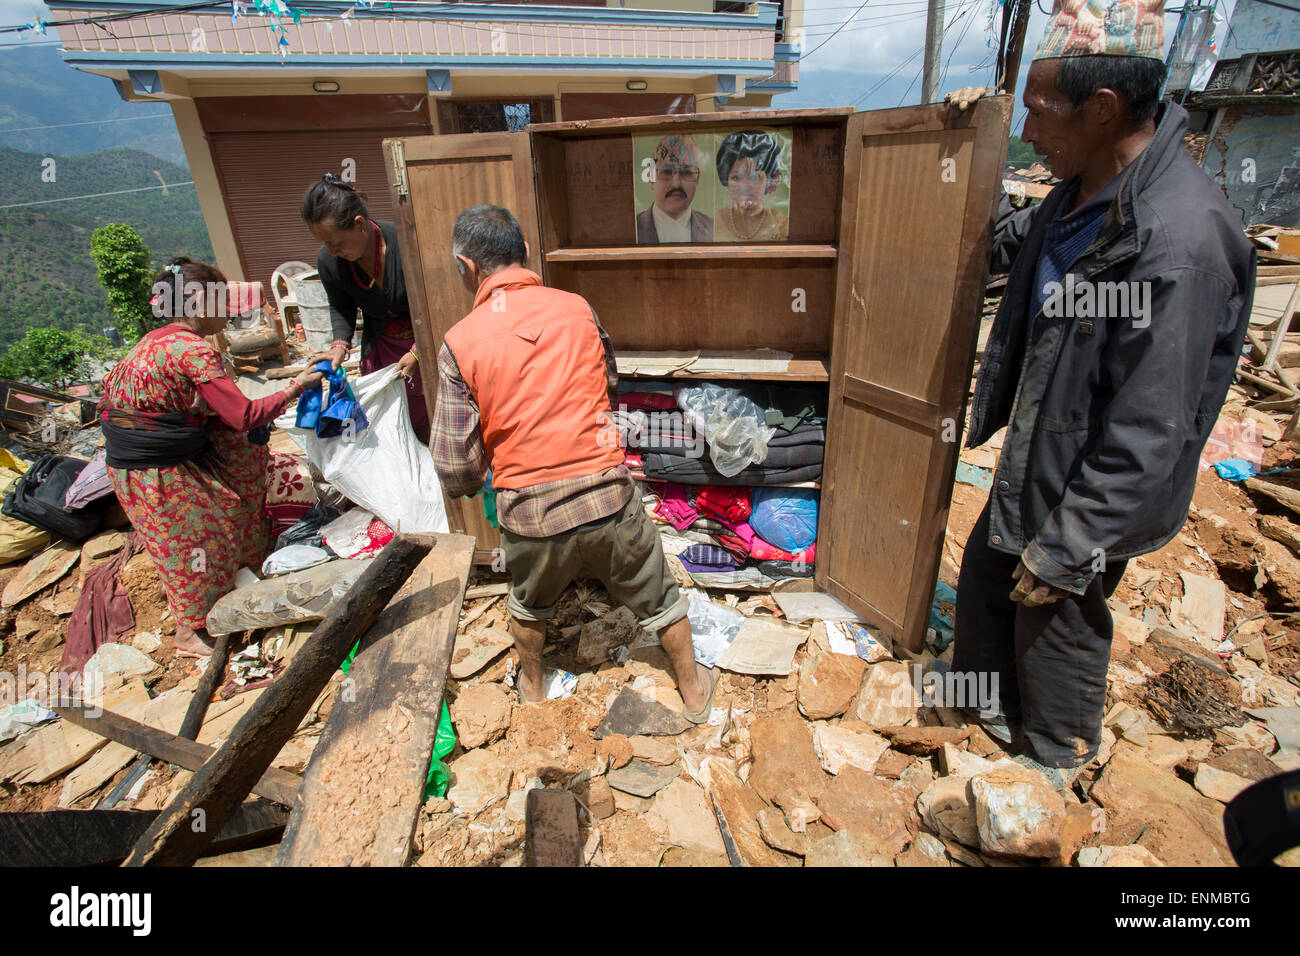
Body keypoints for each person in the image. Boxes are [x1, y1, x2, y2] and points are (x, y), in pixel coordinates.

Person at [944, 0, 1255, 786]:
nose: (1031, 130)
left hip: (1090, 482)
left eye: (1042, 112)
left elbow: (1152, 428)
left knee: (1055, 618)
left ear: (1105, 107)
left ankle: (1053, 766)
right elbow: (1007, 241)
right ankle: (981, 721)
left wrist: (1071, 541)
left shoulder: (1178, 242)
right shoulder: (1079, 193)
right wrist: (945, 150)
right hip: (1040, 451)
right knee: (986, 585)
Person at [431, 204, 715, 718]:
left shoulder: (459, 342)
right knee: (660, 595)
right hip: (610, 501)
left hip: (531, 517)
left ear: (467, 266)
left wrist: (485, 477)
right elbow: (607, 384)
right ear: (522, 255)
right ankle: (694, 693)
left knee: (528, 603)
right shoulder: (577, 308)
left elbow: (455, 467)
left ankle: (534, 689)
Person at [99, 258, 325, 658]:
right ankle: (190, 633)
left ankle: (239, 580)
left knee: (205, 529)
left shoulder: (152, 341)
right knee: (191, 543)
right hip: (156, 469)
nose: (229, 313)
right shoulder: (193, 351)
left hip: (139, 464)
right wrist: (295, 388)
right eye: (224, 303)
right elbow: (242, 415)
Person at [301, 174, 429, 442]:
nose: (333, 251)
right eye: (326, 244)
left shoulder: (408, 245)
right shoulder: (330, 261)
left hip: (424, 344)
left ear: (359, 224)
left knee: (425, 417)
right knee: (388, 418)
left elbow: (436, 305)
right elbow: (340, 306)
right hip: (381, 347)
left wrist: (419, 353)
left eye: (337, 243)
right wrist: (339, 345)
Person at [713, 130, 789, 242]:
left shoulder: (782, 225)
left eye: (754, 177)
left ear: (768, 180)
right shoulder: (712, 222)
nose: (746, 186)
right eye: (736, 178)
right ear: (726, 181)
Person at [636, 134, 714, 244]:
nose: (676, 184)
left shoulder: (714, 230)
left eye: (686, 172)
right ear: (650, 178)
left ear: (697, 179)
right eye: (667, 172)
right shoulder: (631, 229)